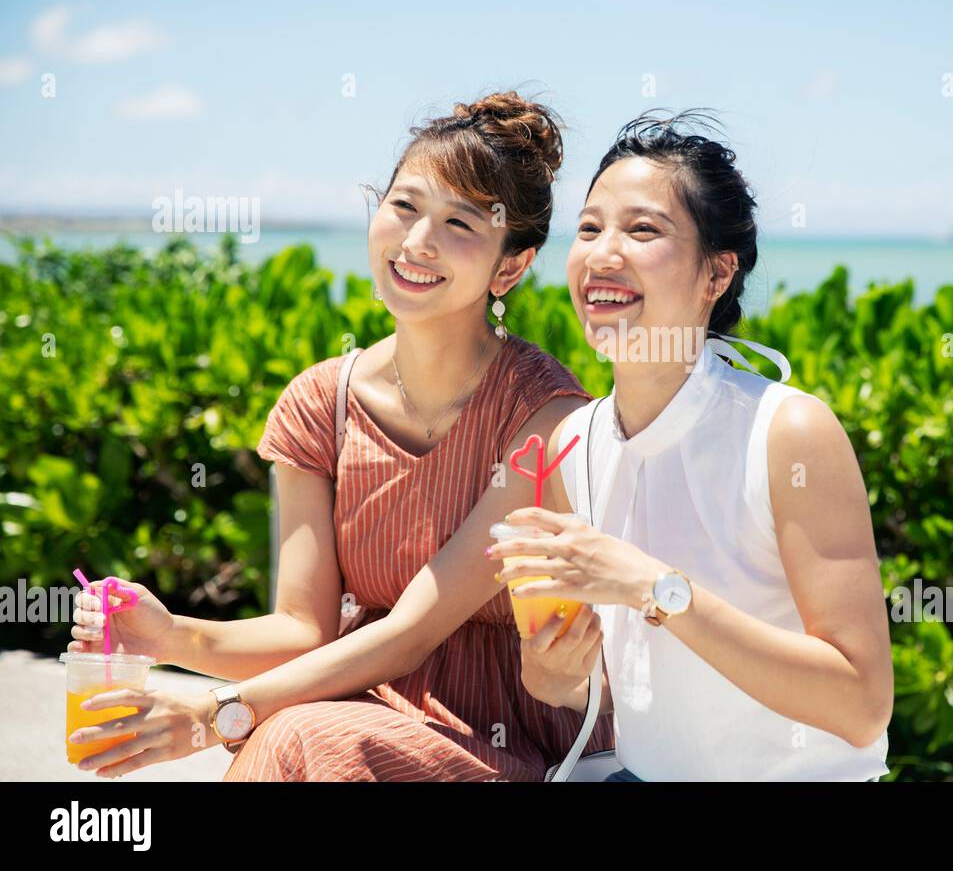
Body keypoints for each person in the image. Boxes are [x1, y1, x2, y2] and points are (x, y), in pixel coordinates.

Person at [67, 91, 614, 780]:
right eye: (405, 206)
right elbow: (304, 631)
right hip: (350, 709)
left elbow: (412, 633)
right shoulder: (319, 405)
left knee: (295, 739)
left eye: (460, 224)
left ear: (511, 266)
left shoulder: (543, 417)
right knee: (296, 736)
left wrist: (215, 716)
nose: (417, 243)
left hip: (508, 744)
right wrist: (171, 635)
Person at [489, 112, 893, 781]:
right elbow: (608, 692)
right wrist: (551, 672)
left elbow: (861, 704)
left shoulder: (786, 432)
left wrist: (652, 586)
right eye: (589, 228)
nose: (603, 252)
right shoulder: (574, 445)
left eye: (642, 229)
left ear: (716, 275)